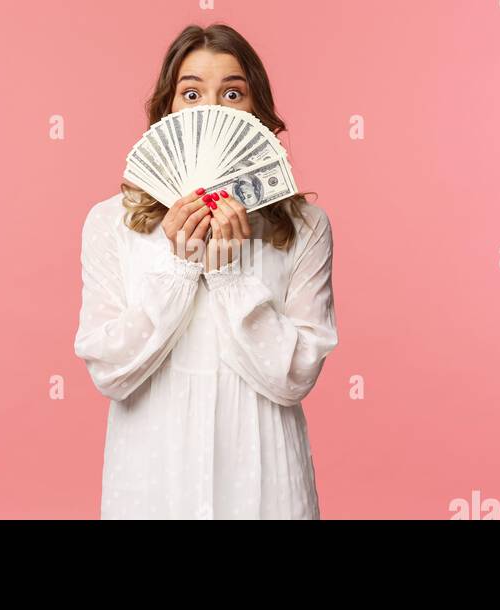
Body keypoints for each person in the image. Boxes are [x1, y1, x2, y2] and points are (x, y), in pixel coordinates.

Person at [74, 23, 338, 519]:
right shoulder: (110, 222)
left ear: (257, 111)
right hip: (153, 470)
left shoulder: (306, 226)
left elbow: (295, 377)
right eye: (191, 92)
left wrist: (228, 274)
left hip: (263, 470)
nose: (211, 109)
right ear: (167, 110)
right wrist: (180, 265)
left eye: (232, 92)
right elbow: (111, 371)